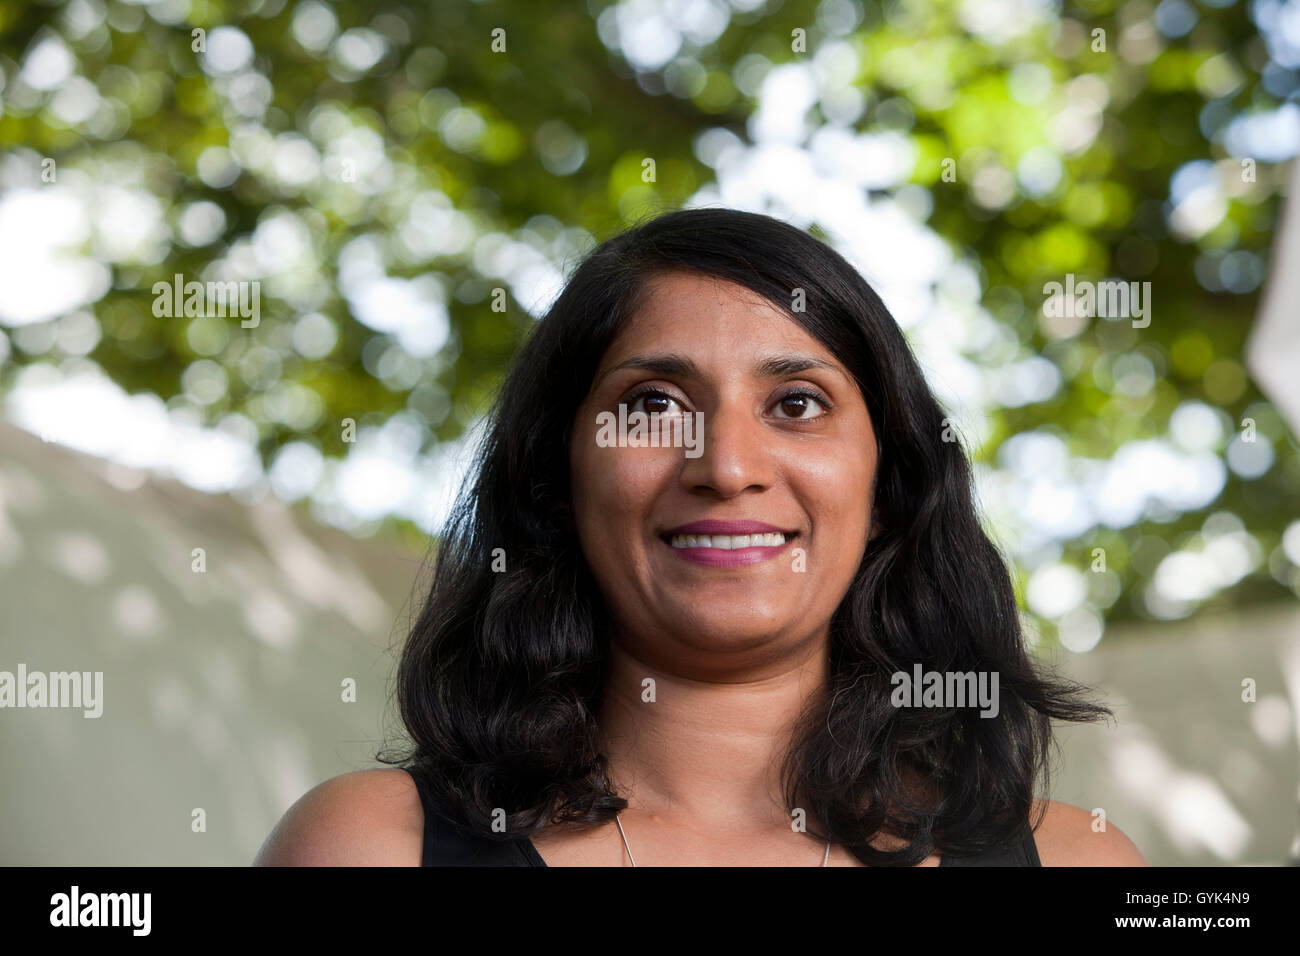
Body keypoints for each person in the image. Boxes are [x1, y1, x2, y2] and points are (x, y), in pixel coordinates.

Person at [255, 207, 1147, 866]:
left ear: (886, 489)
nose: (724, 466)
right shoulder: (370, 847)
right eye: (652, 406)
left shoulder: (1080, 861)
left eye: (797, 405)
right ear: (559, 482)